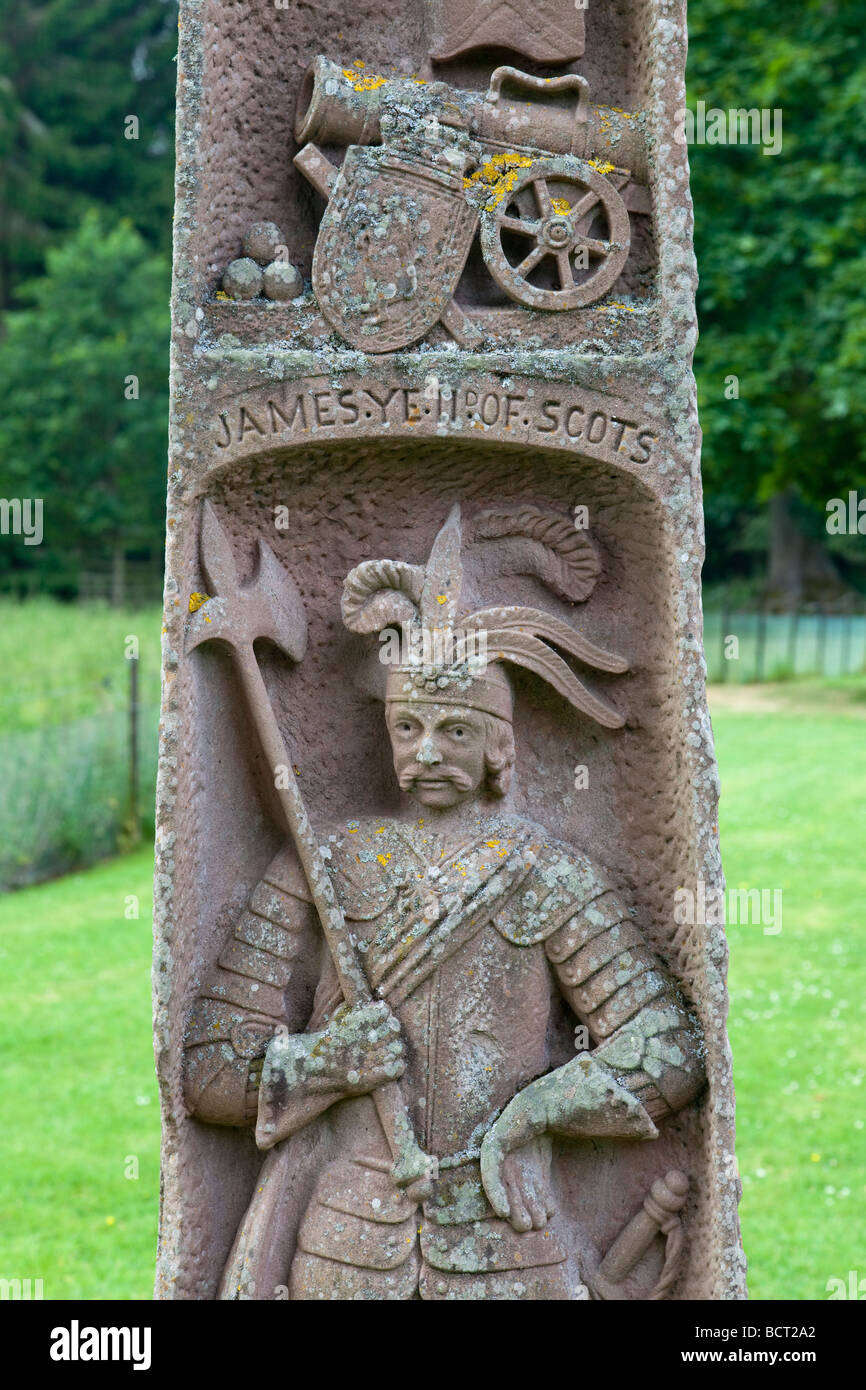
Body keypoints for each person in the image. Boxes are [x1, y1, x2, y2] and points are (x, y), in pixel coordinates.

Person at [183, 507, 705, 1299]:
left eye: (455, 731)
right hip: (345, 1246)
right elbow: (210, 1067)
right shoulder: (323, 865)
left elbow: (671, 1049)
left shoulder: (547, 877)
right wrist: (327, 1061)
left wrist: (536, 1111)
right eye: (409, 727)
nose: (427, 751)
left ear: (500, 746)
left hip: (509, 1241)